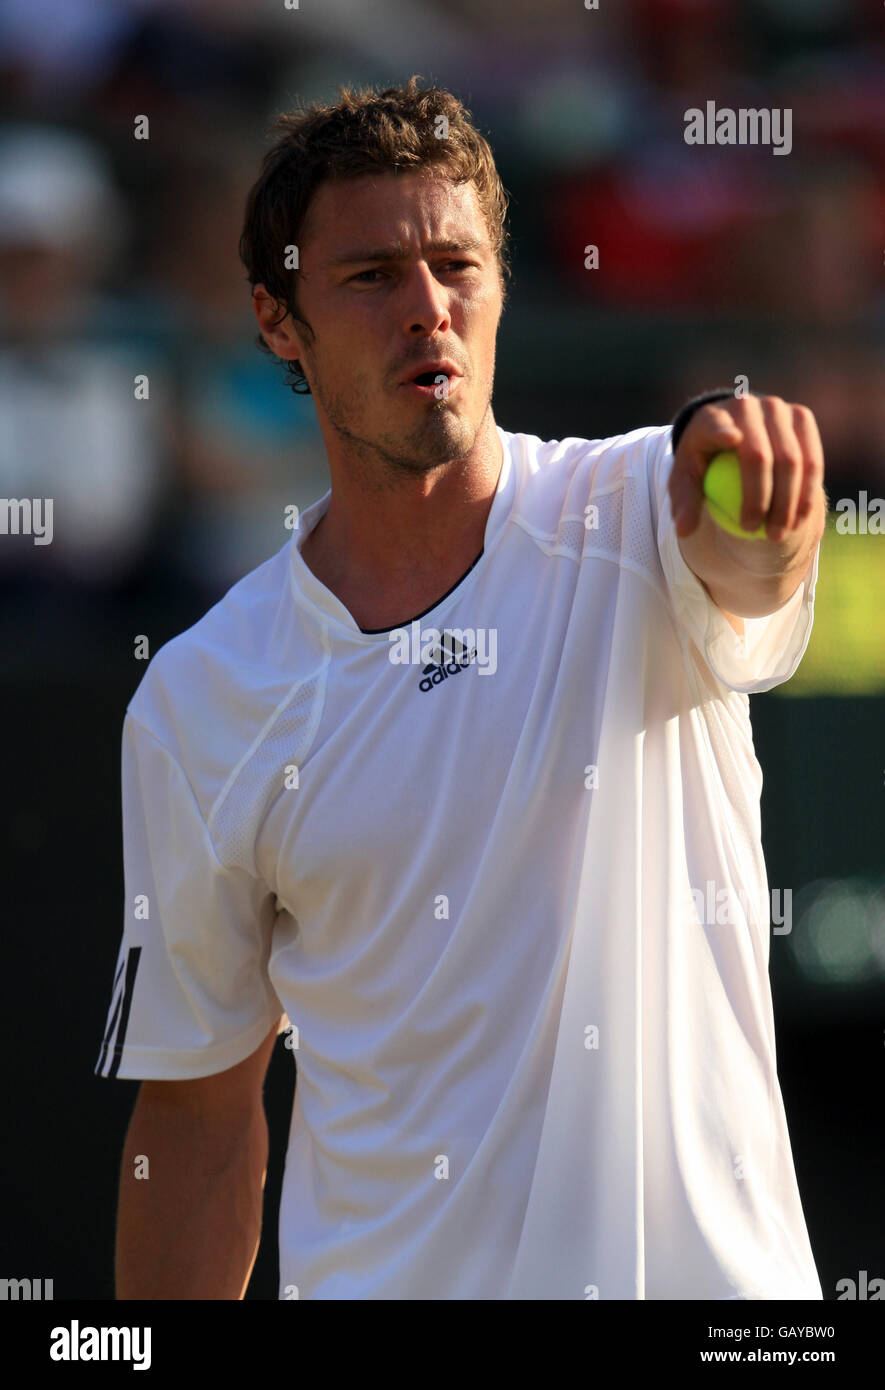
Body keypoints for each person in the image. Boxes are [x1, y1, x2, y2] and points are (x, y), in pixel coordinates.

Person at [97, 76, 827, 1300]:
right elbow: (200, 1120)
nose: (428, 307)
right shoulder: (198, 697)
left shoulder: (642, 508)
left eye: (458, 266)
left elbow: (751, 560)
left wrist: (766, 506)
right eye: (372, 276)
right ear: (280, 321)